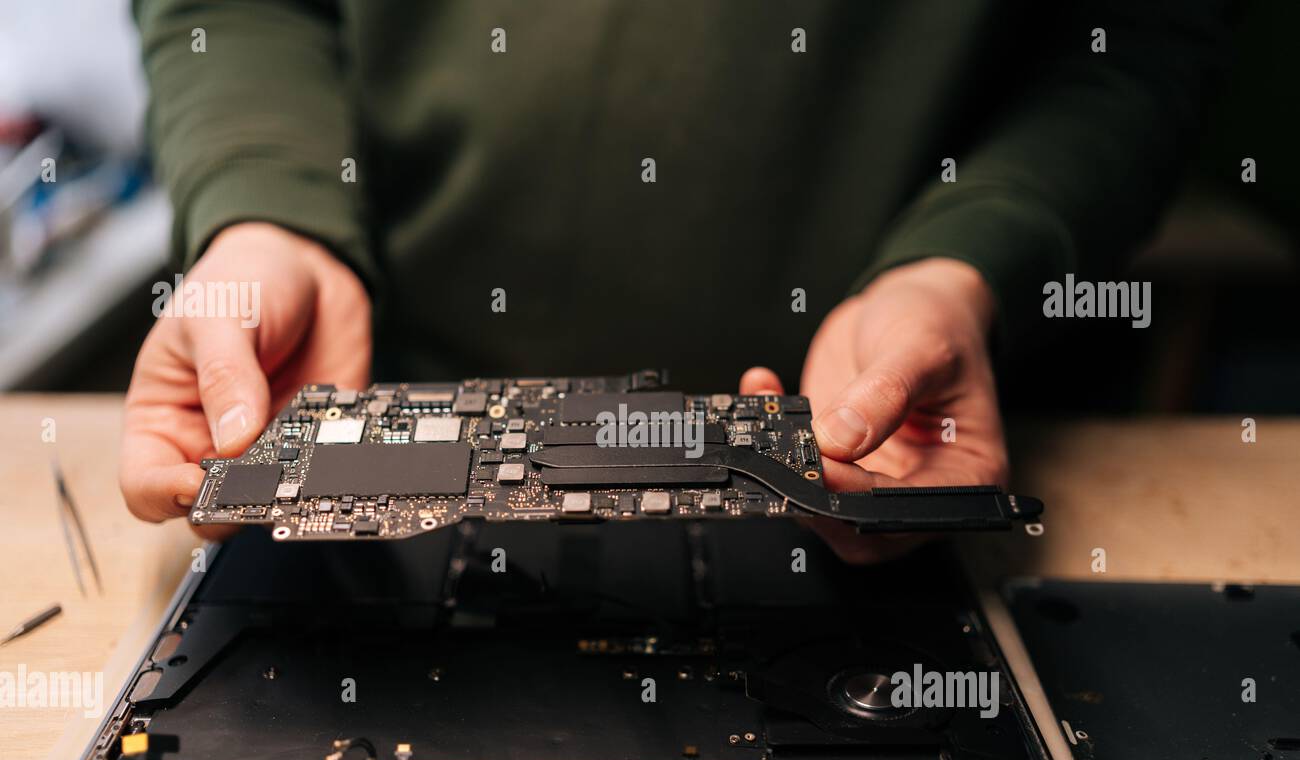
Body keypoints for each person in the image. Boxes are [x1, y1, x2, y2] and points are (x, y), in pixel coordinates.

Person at [120, 1, 1224, 560]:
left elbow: (1131, 43)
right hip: (355, 431)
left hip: (881, 457)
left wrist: (964, 266)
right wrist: (270, 217)